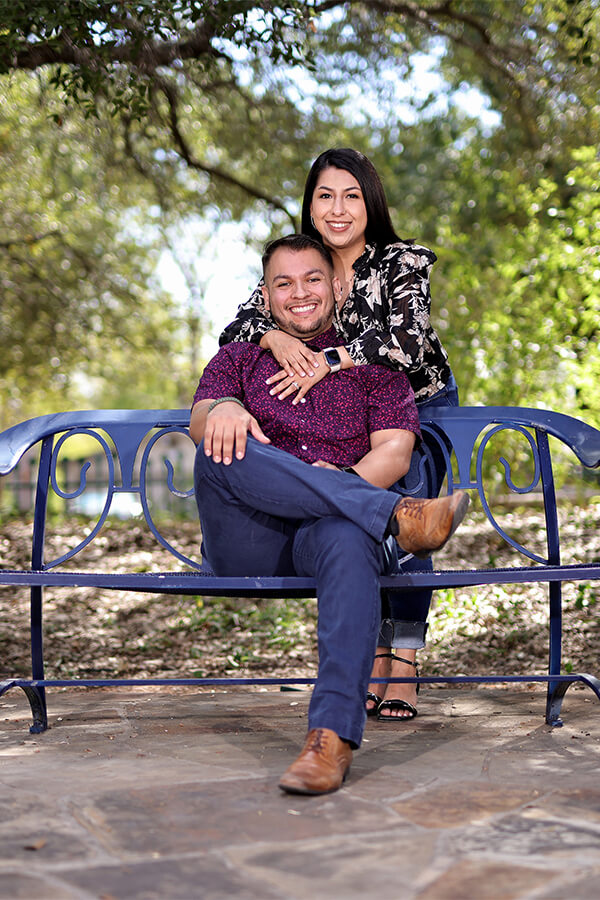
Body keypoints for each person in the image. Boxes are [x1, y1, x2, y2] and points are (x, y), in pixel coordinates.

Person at [191, 234, 469, 795]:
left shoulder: (374, 370)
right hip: (247, 538)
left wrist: (337, 484)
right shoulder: (238, 358)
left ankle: (331, 740)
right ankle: (398, 517)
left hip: (322, 536)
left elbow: (395, 452)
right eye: (284, 283)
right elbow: (200, 423)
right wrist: (223, 409)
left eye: (312, 279)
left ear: (337, 287)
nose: (299, 293)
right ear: (266, 296)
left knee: (347, 536)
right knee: (221, 446)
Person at [219, 148, 459, 721]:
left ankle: (404, 660)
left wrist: (328, 359)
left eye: (351, 196)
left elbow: (407, 345)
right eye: (325, 196)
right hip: (349, 414)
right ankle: (371, 654)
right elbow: (237, 329)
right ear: (310, 206)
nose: (338, 209)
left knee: (406, 490)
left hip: (417, 402)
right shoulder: (305, 264)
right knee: (356, 515)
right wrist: (274, 338)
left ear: (369, 203)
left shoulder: (399, 262)